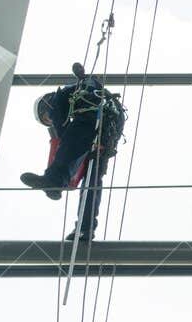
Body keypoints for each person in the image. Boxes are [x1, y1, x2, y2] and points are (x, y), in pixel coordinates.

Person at [18, 63, 126, 242]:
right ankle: (85, 229)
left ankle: (54, 181)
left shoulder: (57, 99)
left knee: (72, 142)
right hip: (108, 131)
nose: (50, 121)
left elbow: (62, 130)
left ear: (45, 104)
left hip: (93, 118)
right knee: (92, 182)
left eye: (47, 118)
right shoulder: (84, 89)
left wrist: (60, 138)